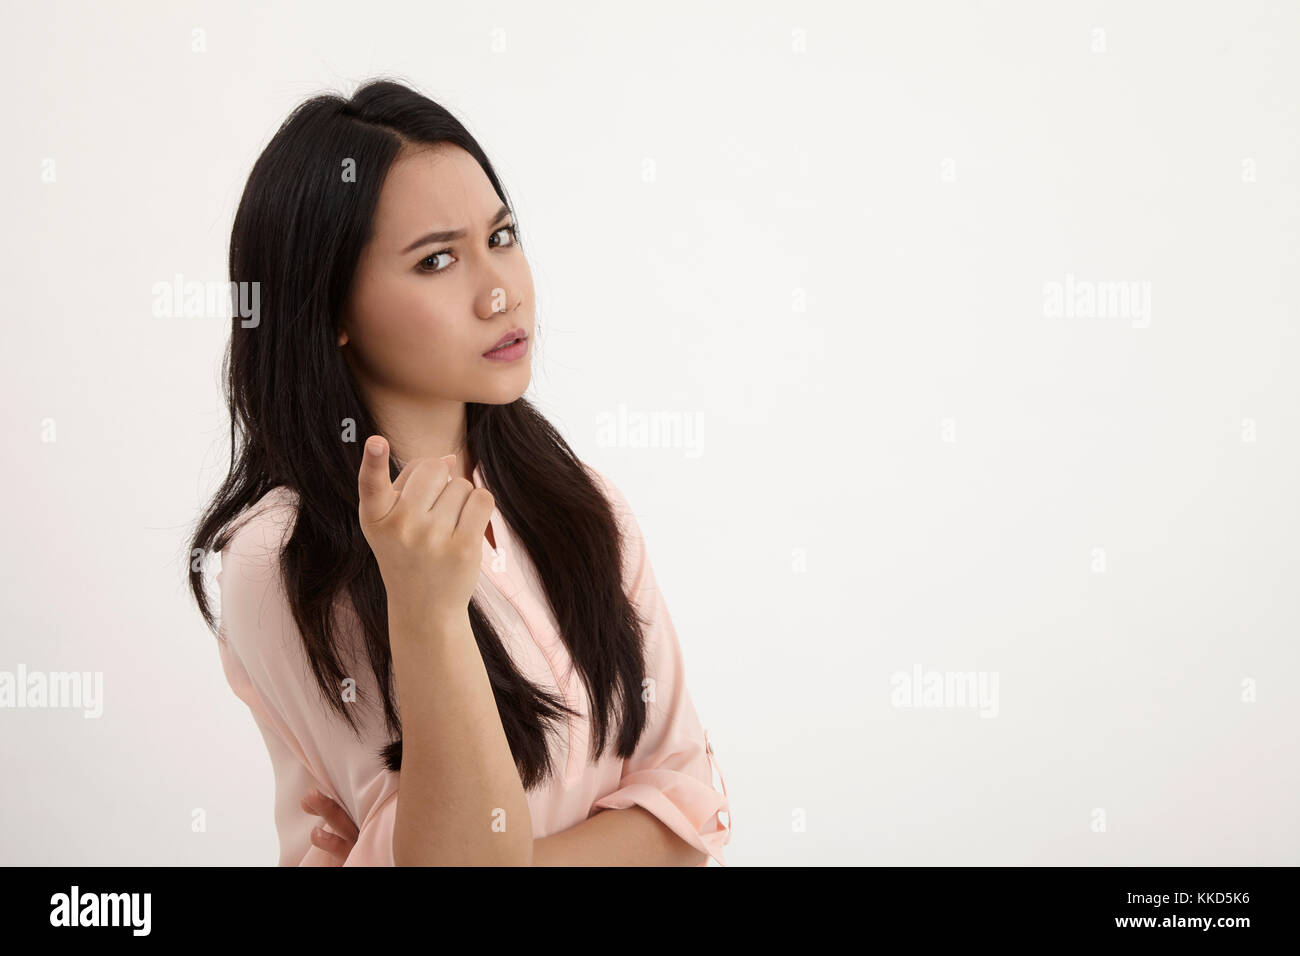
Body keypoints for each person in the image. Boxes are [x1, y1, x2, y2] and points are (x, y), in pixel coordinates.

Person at [187, 78, 731, 866]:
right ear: (331, 309)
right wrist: (428, 614)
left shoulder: (579, 503)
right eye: (437, 259)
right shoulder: (286, 555)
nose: (500, 291)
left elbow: (691, 809)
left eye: (502, 238)